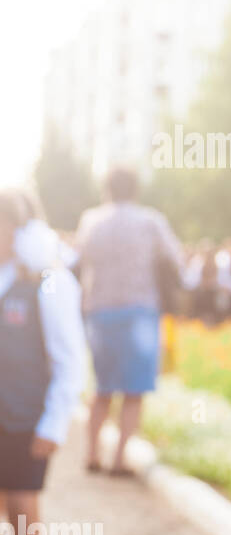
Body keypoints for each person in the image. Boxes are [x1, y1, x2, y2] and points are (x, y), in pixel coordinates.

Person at [0, 190, 86, 535]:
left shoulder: (47, 283)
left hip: (23, 419)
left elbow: (69, 358)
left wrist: (54, 424)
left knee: (21, 511)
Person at [76, 167, 185, 477]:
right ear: (135, 189)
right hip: (140, 311)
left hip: (100, 311)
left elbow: (82, 259)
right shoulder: (150, 221)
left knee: (102, 388)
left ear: (106, 189)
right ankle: (120, 458)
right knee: (133, 390)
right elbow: (175, 260)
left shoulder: (91, 221)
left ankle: (92, 452)